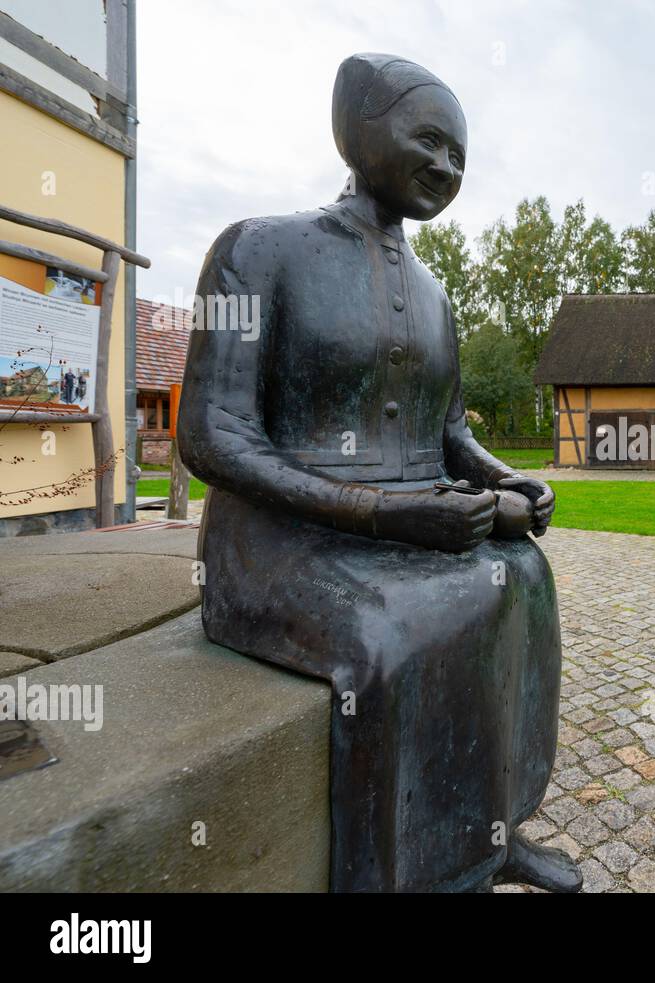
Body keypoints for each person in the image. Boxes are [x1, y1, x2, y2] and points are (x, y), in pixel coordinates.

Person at [177, 53, 578, 893]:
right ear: (361, 128)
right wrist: (375, 514)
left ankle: (493, 836)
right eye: (428, 141)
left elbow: (451, 433)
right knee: (395, 630)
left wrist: (511, 479)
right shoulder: (258, 249)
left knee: (522, 580)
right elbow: (210, 432)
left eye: (459, 157)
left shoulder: (436, 296)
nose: (445, 167)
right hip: (276, 545)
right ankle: (382, 878)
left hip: (399, 529)